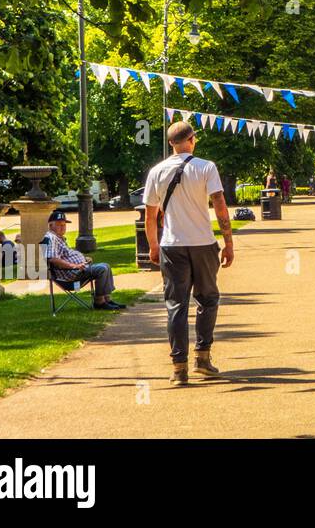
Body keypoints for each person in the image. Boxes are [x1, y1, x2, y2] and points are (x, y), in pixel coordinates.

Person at [143, 120, 233, 385]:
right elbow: (220, 204)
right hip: (203, 243)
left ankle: (179, 367)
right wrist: (228, 242)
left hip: (172, 244)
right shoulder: (206, 167)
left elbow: (150, 216)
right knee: (207, 300)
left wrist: (153, 245)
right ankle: (203, 357)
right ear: (192, 139)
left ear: (171, 143)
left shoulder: (156, 172)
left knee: (176, 305)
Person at [43, 209, 125, 310]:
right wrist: (75, 266)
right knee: (102, 268)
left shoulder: (59, 238)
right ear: (51, 226)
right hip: (71, 274)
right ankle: (99, 302)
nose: (63, 227)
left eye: (64, 224)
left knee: (105, 266)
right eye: (59, 224)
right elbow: (53, 259)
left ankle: (107, 299)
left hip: (77, 270)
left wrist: (83, 259)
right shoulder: (51, 238)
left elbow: (65, 255)